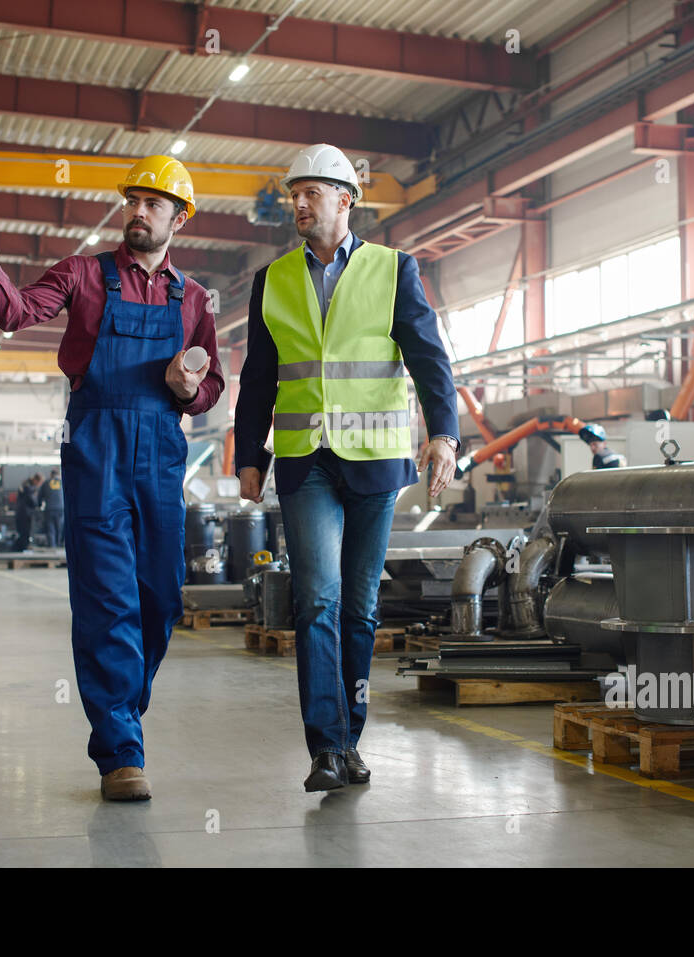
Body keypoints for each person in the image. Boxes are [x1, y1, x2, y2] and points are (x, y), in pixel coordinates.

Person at [0, 155, 223, 801]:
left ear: (178, 217)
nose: (138, 211)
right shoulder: (83, 274)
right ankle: (120, 750)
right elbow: (15, 313)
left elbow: (212, 385)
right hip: (96, 445)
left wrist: (190, 389)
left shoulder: (194, 297)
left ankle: (124, 708)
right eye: (133, 200)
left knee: (160, 597)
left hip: (160, 449)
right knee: (108, 600)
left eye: (153, 203)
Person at [234, 144, 460, 792]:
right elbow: (258, 378)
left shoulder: (395, 270)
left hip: (375, 464)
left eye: (311, 192)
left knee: (361, 608)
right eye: (293, 194)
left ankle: (351, 737)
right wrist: (249, 456)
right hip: (306, 464)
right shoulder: (272, 280)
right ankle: (326, 747)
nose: (298, 204)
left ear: (345, 200)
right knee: (318, 601)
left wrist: (443, 433)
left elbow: (429, 359)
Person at [41, 468, 65, 549]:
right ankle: (58, 545)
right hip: (60, 509)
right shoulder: (62, 482)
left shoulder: (46, 483)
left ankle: (52, 546)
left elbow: (39, 496)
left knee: (51, 528)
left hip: (49, 509)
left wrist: (39, 505)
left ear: (51, 475)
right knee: (59, 527)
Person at [14, 475, 39, 551]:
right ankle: (23, 548)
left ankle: (20, 548)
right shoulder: (29, 490)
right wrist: (37, 503)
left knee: (22, 532)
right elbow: (33, 502)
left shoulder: (23, 488)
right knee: (25, 532)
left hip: (20, 513)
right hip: (26, 514)